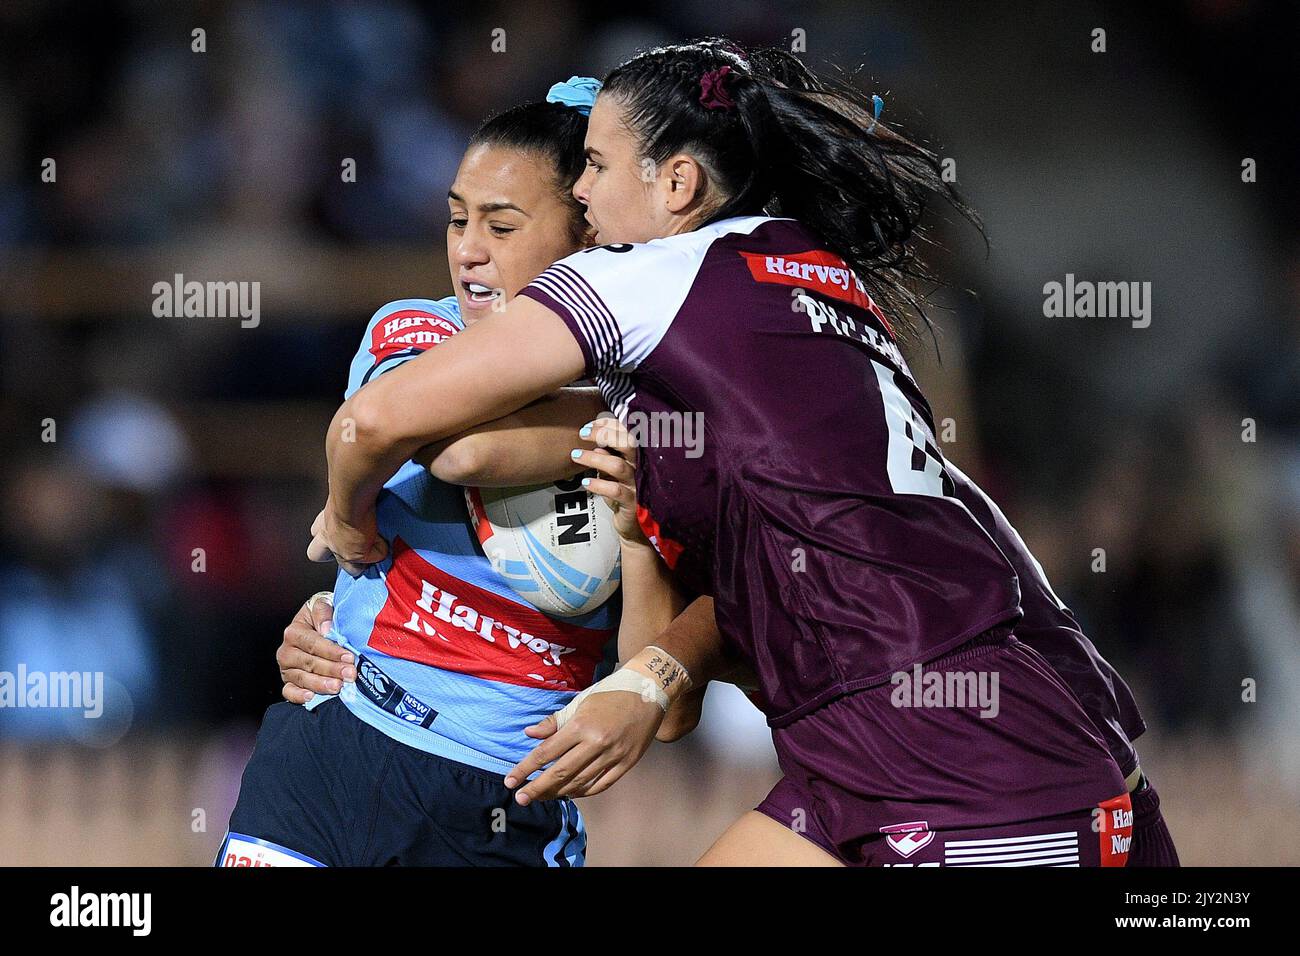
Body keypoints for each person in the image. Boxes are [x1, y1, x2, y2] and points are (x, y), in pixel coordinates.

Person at [310, 40, 1177, 867]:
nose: (580, 189)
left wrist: (350, 531)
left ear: (677, 181)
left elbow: (386, 426)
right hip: (936, 714)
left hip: (951, 744)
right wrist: (650, 674)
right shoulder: (811, 286)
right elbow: (802, 551)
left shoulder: (645, 277)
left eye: (599, 166)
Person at [221, 78, 698, 867]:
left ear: (589, 243)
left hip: (497, 802)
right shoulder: (412, 328)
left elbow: (669, 702)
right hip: (330, 753)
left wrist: (637, 528)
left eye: (501, 225)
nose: (467, 249)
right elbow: (455, 450)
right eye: (456, 217)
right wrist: (632, 431)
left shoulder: (662, 398)